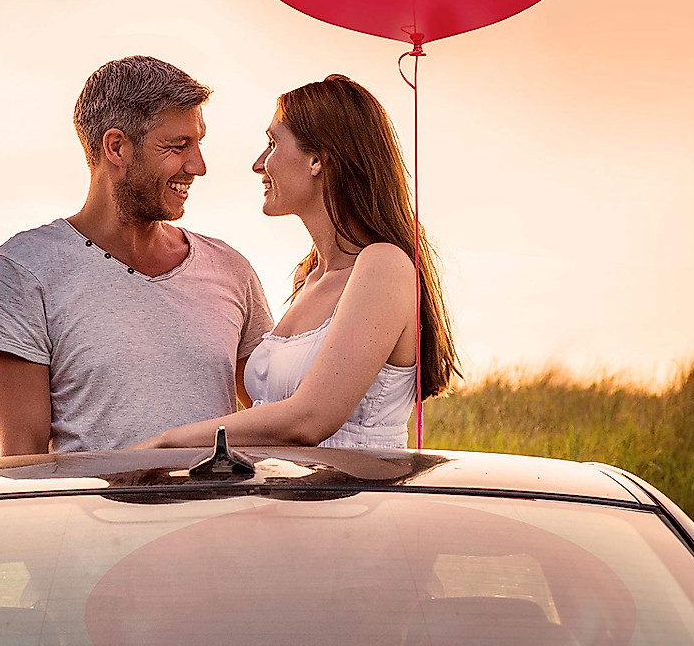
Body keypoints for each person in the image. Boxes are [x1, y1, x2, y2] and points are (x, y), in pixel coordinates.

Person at [133, 74, 458, 451]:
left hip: (354, 506)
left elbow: (308, 419)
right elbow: (268, 413)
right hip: (291, 504)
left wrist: (166, 442)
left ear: (317, 159)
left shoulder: (383, 265)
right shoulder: (308, 277)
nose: (259, 164)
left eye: (272, 143)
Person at [0, 56, 274, 455]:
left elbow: (277, 418)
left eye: (199, 143)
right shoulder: (24, 271)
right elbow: (22, 462)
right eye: (178, 146)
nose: (198, 166)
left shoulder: (231, 270)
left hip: (217, 517)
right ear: (116, 146)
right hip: (84, 518)